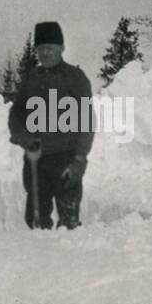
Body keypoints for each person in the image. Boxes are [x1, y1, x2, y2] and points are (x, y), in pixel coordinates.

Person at [8, 21, 93, 229]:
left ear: (61, 48)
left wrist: (80, 160)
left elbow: (86, 121)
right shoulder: (31, 79)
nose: (45, 53)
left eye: (50, 48)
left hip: (66, 161)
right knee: (37, 224)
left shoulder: (75, 78)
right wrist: (26, 140)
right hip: (37, 162)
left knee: (69, 224)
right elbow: (16, 114)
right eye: (41, 49)